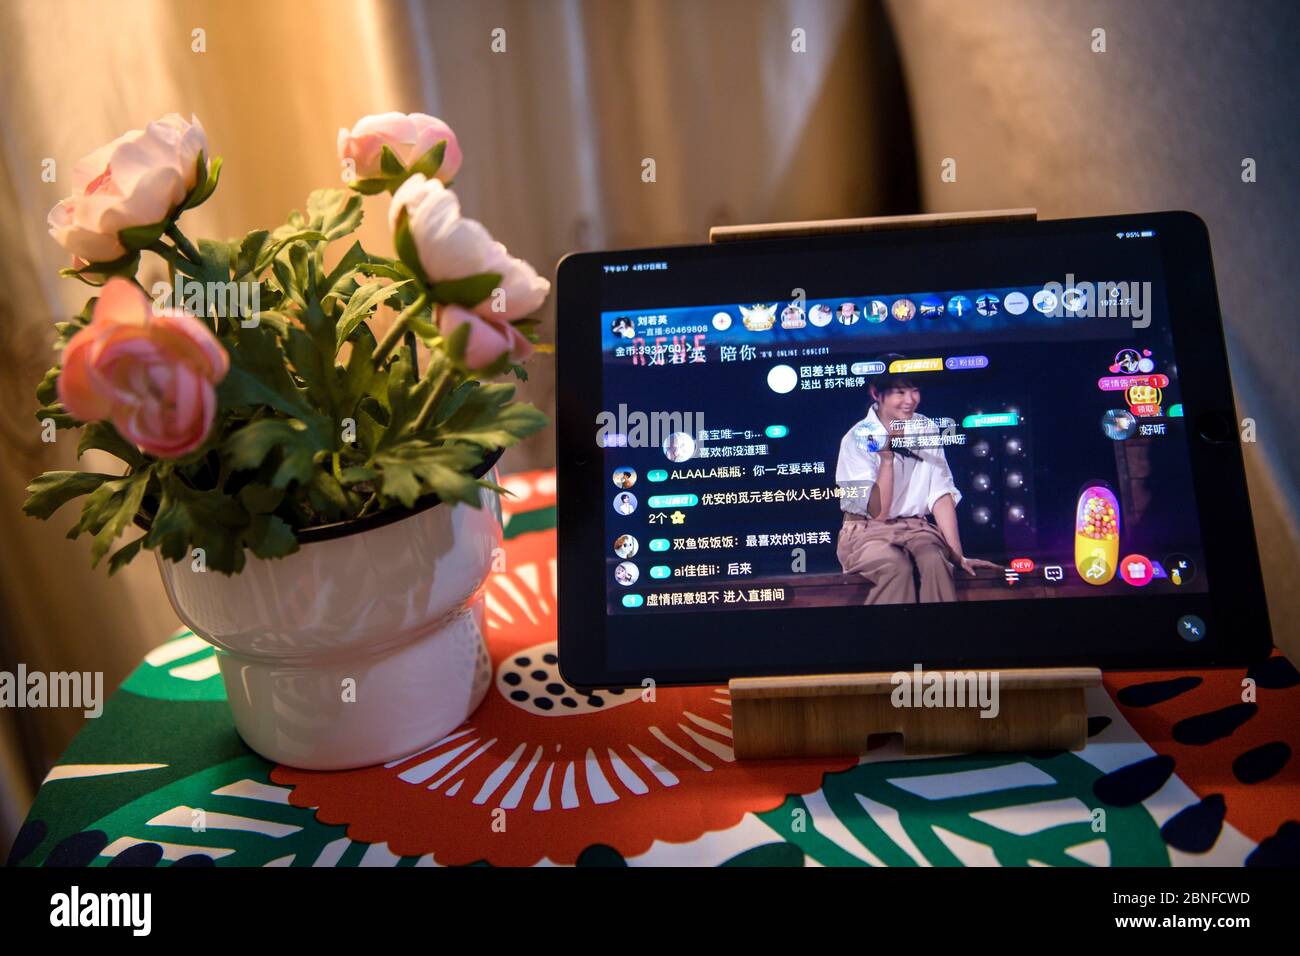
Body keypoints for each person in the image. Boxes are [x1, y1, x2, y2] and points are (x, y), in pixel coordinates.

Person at [835, 357, 999, 603]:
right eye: (900, 392)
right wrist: (887, 459)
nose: (910, 399)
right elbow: (876, 513)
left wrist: (957, 555)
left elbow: (940, 493)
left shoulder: (926, 428)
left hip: (916, 527)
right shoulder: (856, 438)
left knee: (934, 560)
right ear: (876, 394)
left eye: (914, 390)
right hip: (867, 530)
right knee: (895, 567)